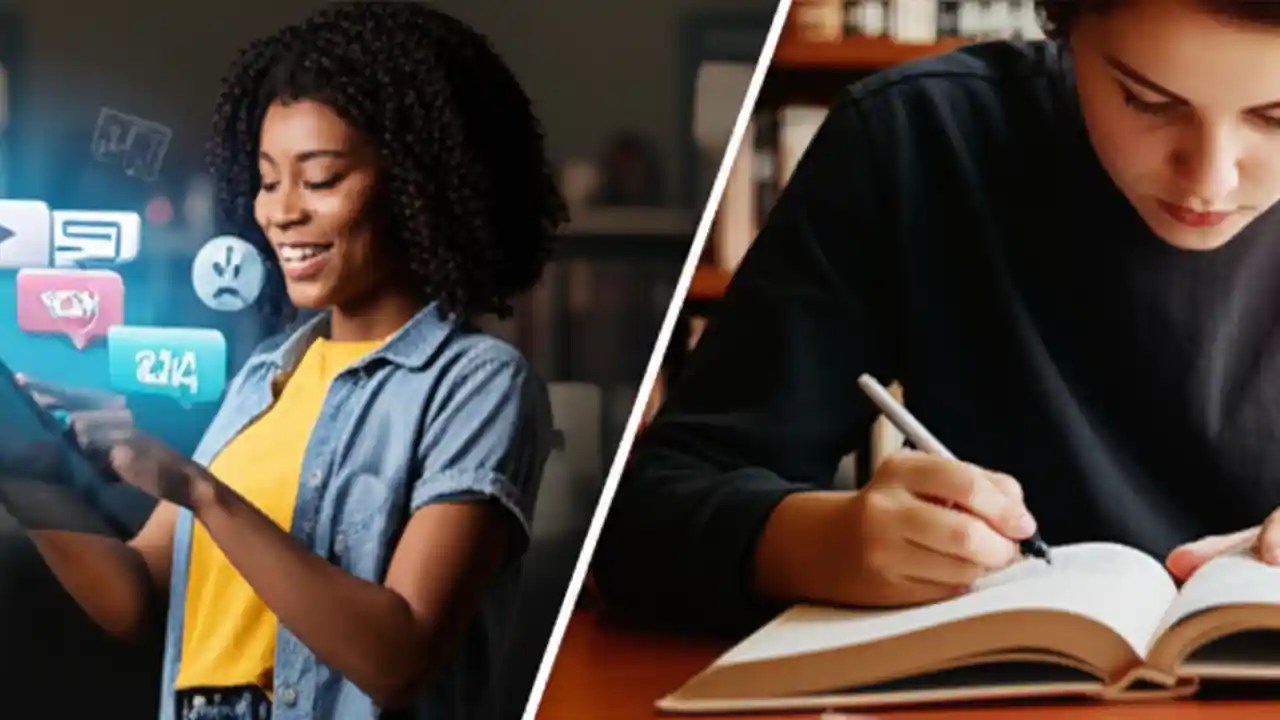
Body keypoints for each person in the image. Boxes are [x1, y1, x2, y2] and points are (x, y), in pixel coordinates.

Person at [594, 0, 1280, 635]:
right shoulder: (918, 139)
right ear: (1067, 30)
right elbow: (645, 515)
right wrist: (818, 544)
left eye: (1276, 116)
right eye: (1148, 102)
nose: (1210, 180)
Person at [4, 3, 565, 718]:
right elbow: (137, 597)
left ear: (419, 188)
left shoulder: (478, 385)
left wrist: (201, 491)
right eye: (268, 180)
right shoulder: (263, 380)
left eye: (320, 179)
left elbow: (397, 658)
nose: (279, 212)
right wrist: (26, 459)